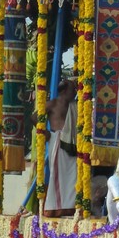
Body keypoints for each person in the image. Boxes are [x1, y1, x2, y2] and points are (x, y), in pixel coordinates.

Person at [44, 79, 77, 217]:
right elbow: (34, 118)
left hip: (72, 143)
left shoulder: (75, 106)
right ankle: (54, 207)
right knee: (56, 176)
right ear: (63, 91)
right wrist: (48, 134)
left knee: (73, 175)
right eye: (72, 90)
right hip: (57, 141)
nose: (74, 93)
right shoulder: (52, 104)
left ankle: (69, 207)